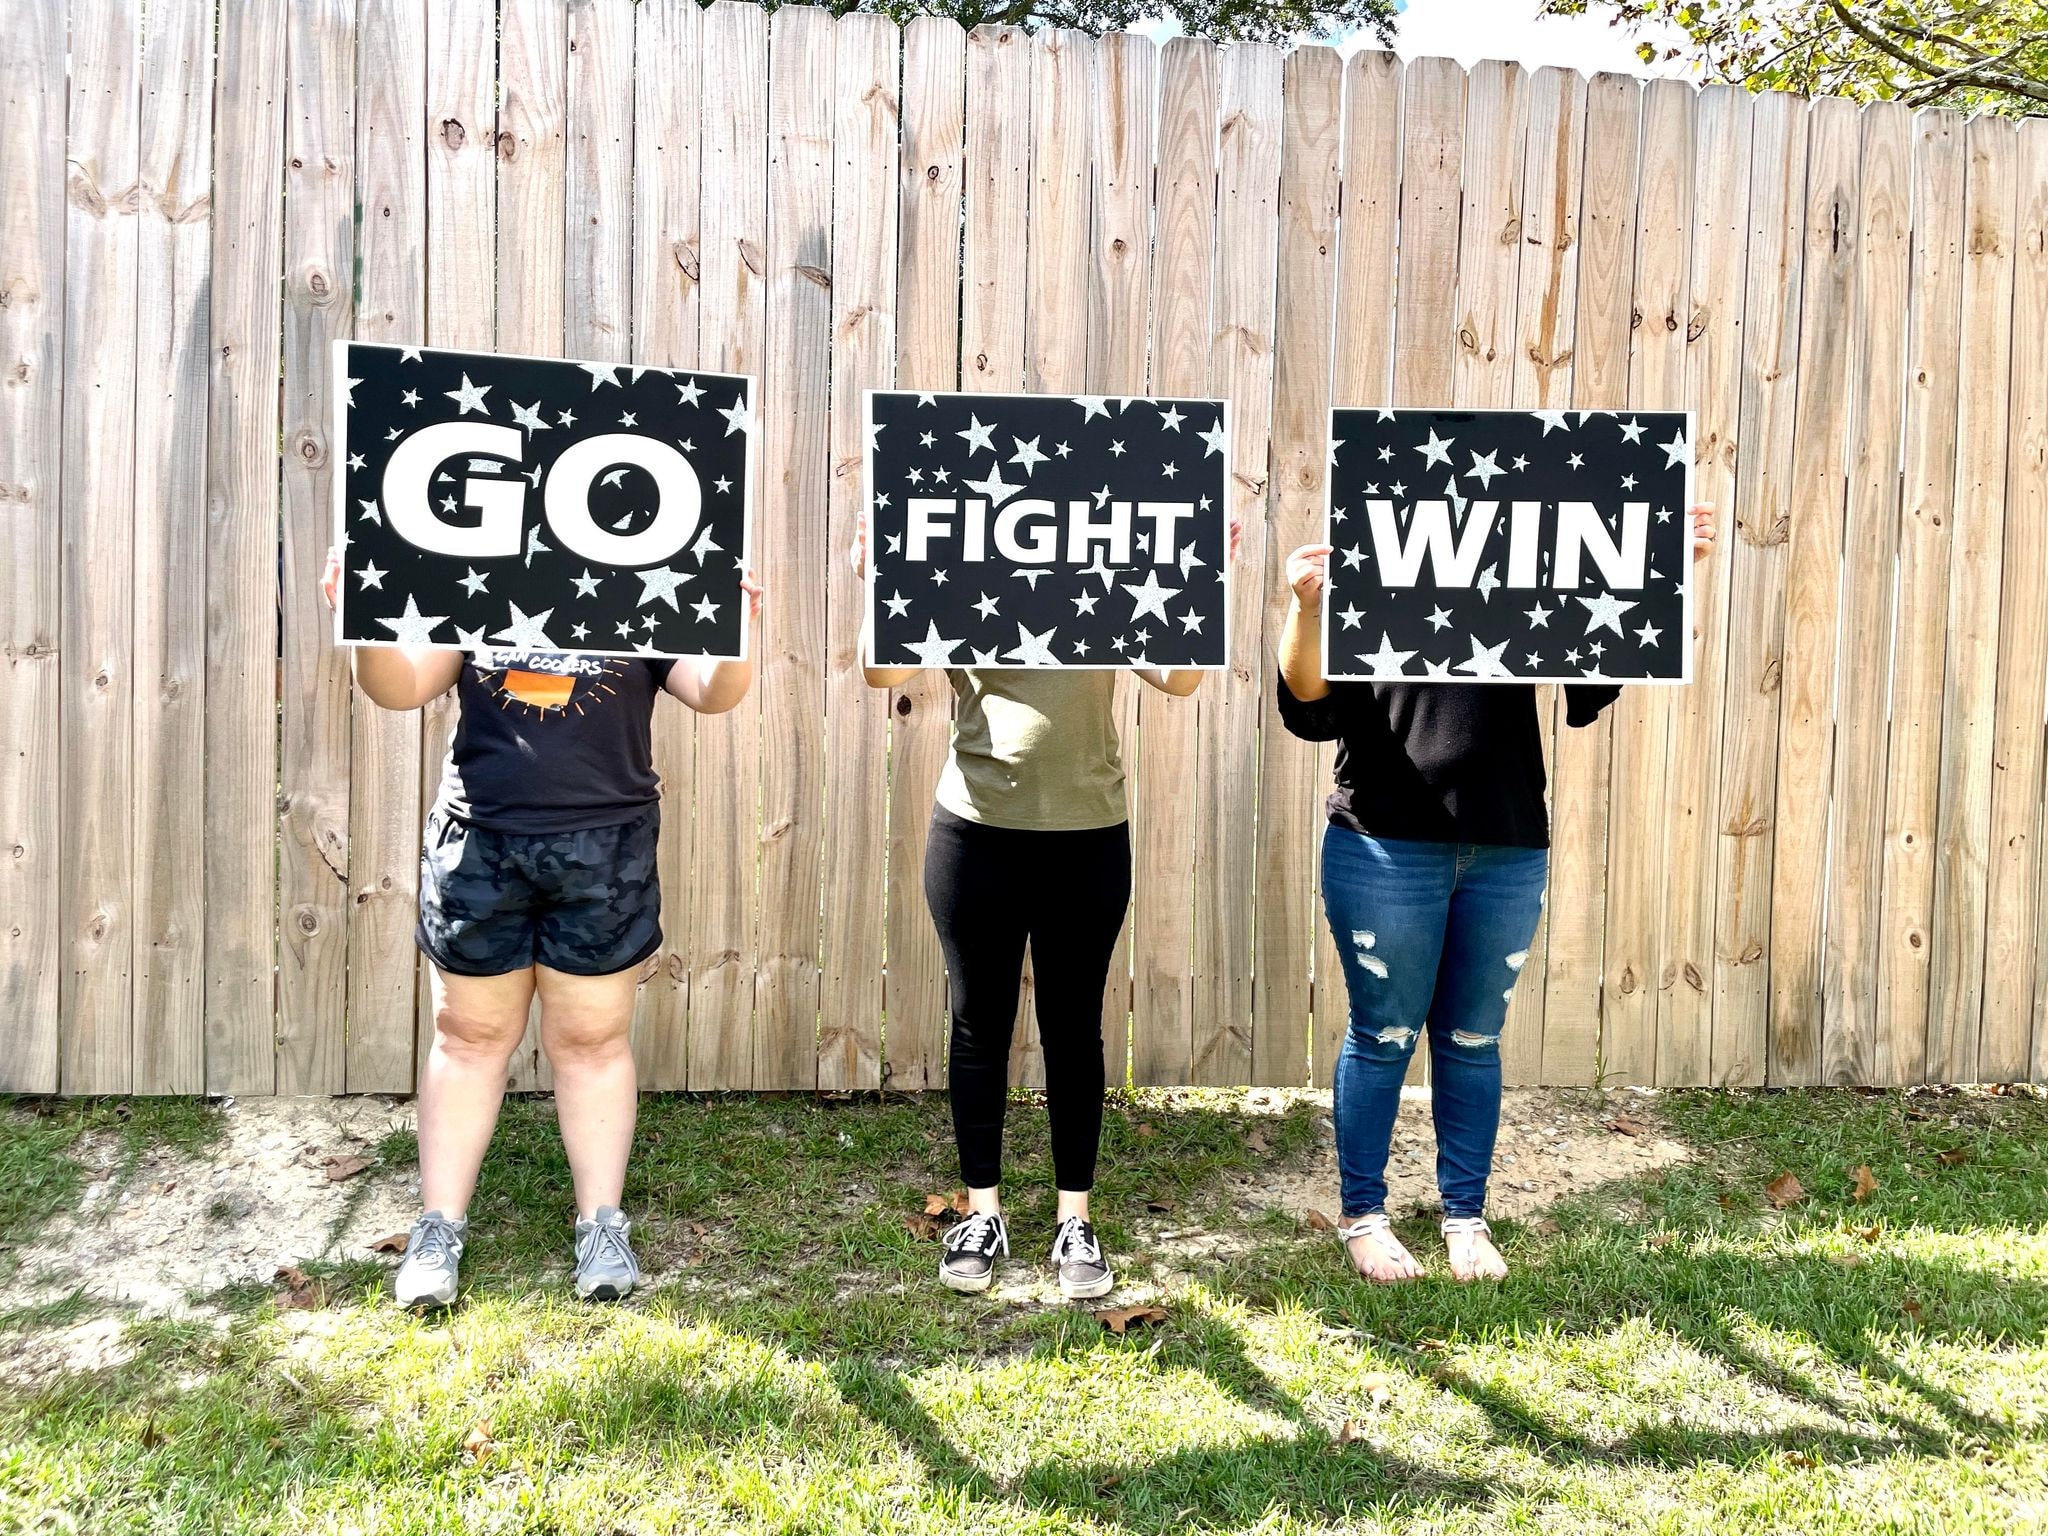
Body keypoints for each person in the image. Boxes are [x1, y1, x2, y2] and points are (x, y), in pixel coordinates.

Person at [1276, 505, 1715, 1283]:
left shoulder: (1523, 566)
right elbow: (1307, 701)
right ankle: (1363, 1219)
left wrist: (1655, 571)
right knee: (1382, 1037)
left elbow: (1592, 679)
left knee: (1474, 1040)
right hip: (1383, 843)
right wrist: (1309, 605)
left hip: (1507, 845)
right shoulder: (1375, 561)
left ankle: (1465, 1220)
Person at [323, 549, 763, 1308]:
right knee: (467, 1036)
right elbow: (399, 685)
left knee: (592, 1039)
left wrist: (738, 630)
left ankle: (602, 1226)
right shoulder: (473, 563)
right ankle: (438, 1227)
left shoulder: (647, 569)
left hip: (606, 848)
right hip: (480, 841)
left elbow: (711, 691)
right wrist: (360, 624)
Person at [852, 516, 1235, 1299]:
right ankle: (981, 1213)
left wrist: (1204, 583)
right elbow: (881, 674)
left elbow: (1182, 678)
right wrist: (881, 580)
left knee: (1074, 1027)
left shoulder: (1106, 572)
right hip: (975, 834)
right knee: (977, 1024)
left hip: (1088, 837)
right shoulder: (955, 569)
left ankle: (1074, 1220)